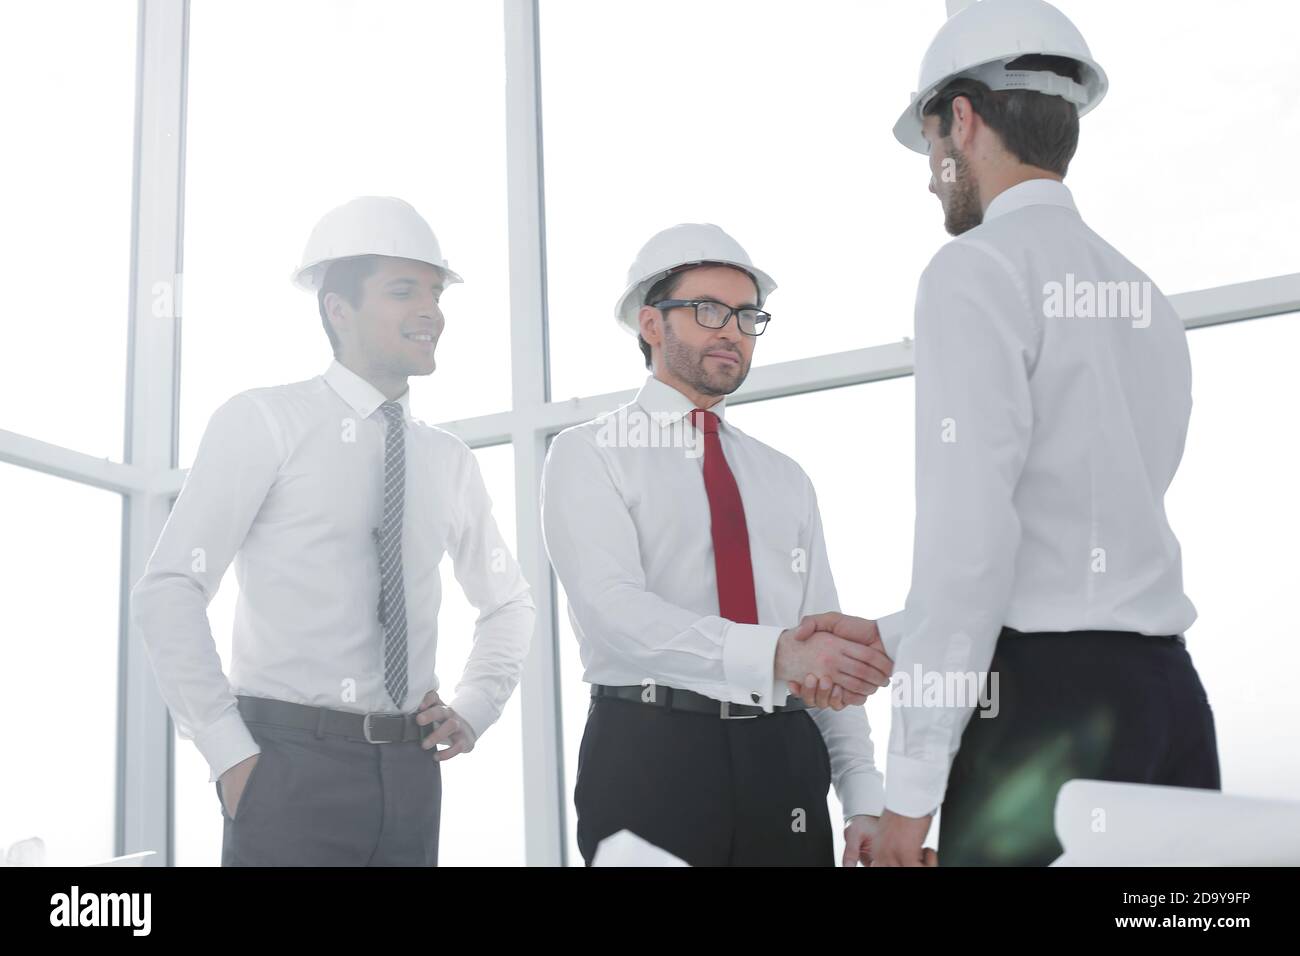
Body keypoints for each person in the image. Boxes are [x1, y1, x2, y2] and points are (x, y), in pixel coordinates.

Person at [806, 0, 1219, 866]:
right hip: (1170, 703)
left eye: (930, 147)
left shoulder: (974, 271)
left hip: (1043, 720)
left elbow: (974, 552)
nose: (930, 175)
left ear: (963, 119)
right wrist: (904, 629)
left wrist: (909, 806)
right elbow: (1074, 535)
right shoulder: (1148, 299)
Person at [131, 196, 536, 865]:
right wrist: (230, 755)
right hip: (287, 768)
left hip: (410, 772)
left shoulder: (448, 459)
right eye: (403, 291)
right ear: (337, 309)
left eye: (435, 292)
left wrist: (475, 705)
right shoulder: (264, 421)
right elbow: (169, 587)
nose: (431, 310)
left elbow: (510, 603)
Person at [541, 223, 898, 866]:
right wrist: (776, 655)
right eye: (708, 311)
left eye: (745, 315)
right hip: (649, 753)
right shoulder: (588, 454)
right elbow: (613, 613)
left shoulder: (785, 477)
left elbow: (821, 643)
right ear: (651, 324)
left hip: (783, 756)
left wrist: (863, 800)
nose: (731, 330)